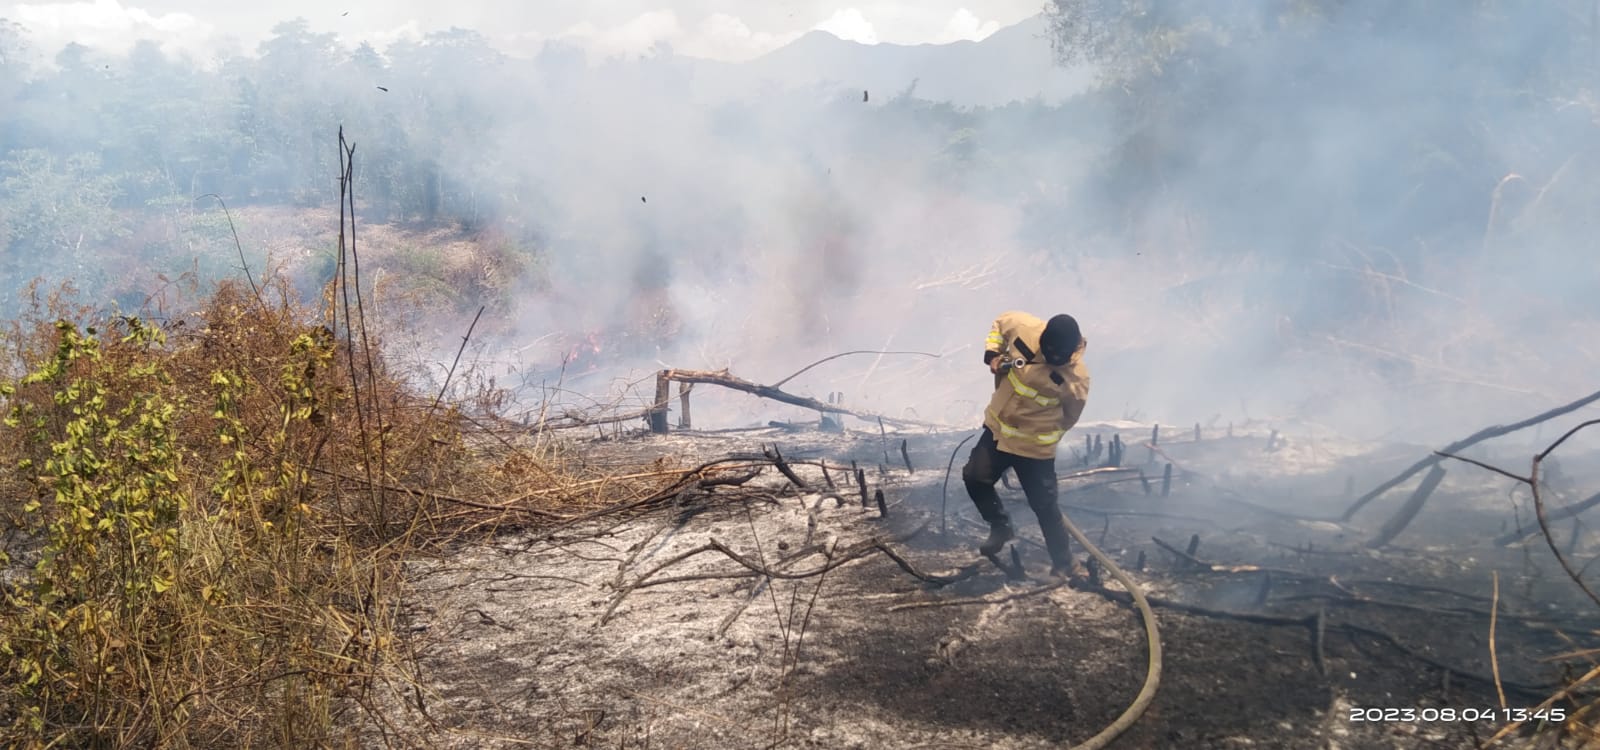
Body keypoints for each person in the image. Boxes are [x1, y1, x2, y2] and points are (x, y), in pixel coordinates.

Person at [962, 311, 1091, 577]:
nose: (1053, 357)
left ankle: (1064, 563)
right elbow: (998, 323)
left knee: (1045, 507)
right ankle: (1000, 525)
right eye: (1049, 350)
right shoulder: (1024, 328)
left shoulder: (1076, 378)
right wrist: (993, 355)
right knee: (974, 477)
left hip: (1034, 449)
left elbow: (1070, 416)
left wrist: (1045, 438)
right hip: (999, 432)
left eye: (1059, 355)